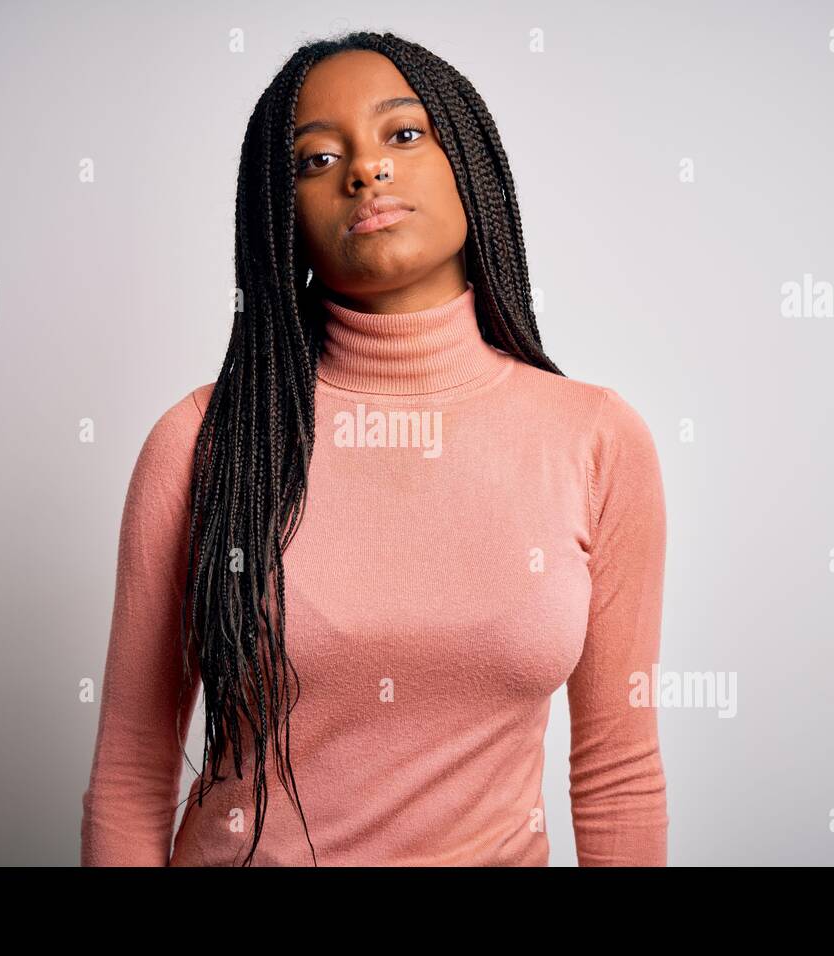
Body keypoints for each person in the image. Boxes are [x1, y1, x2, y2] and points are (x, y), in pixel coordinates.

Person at [81, 30, 669, 866]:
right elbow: (133, 769)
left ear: (468, 160)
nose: (364, 171)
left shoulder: (598, 438)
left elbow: (619, 771)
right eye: (316, 160)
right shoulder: (201, 444)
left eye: (402, 135)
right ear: (279, 218)